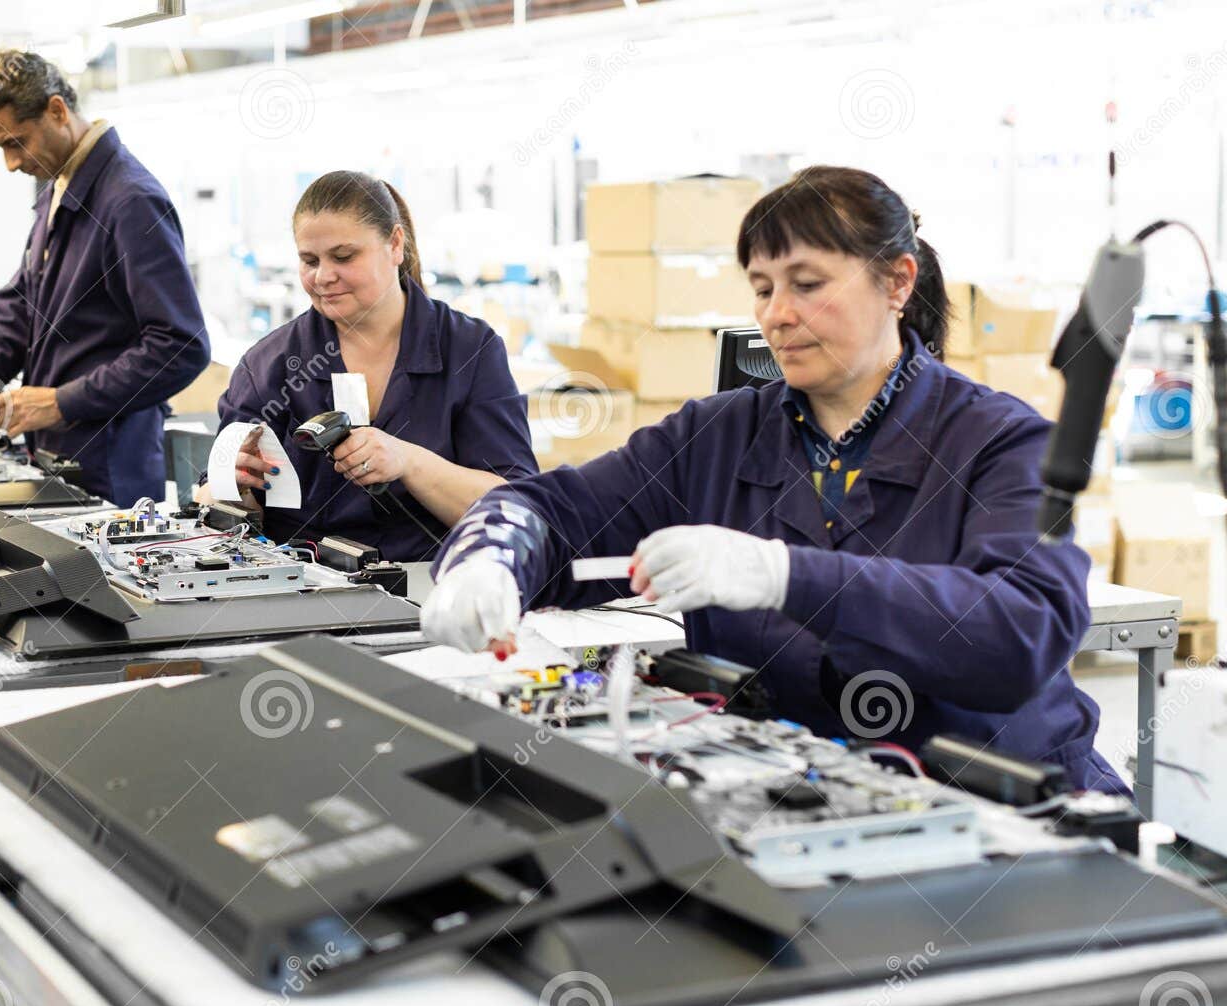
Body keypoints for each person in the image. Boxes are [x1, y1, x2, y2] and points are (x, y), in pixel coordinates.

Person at [423, 165, 1119, 793]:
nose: (776, 315)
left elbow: (1019, 633)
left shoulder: (1002, 442)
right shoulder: (715, 437)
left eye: (807, 284)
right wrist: (489, 559)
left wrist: (782, 575)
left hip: (1006, 813)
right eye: (762, 289)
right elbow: (548, 510)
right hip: (798, 804)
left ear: (898, 282)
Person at [195, 171, 538, 562]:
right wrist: (237, 491)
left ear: (395, 244)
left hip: (436, 586)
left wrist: (409, 461)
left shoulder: (470, 351)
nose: (324, 276)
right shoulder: (267, 365)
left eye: (344, 257)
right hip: (304, 594)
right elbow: (212, 507)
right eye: (310, 260)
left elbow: (515, 508)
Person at [0, 49, 210, 506]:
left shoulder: (129, 201)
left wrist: (62, 402)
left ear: (57, 110)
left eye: (17, 142)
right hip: (56, 455)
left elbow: (181, 346)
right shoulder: (59, 187)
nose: (10, 163)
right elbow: (20, 300)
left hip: (110, 467)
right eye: (1, 147)